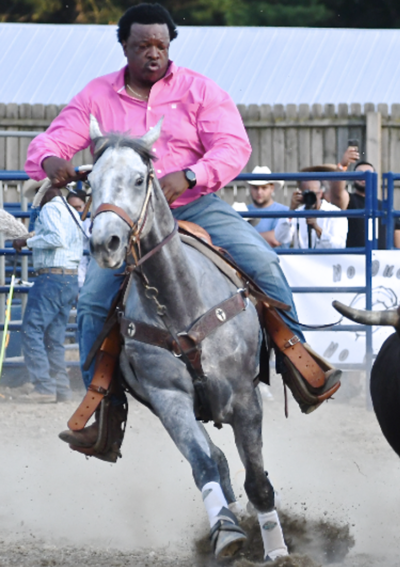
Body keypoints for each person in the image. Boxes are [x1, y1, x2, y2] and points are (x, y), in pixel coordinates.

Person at [26, 3, 340, 447]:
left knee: (263, 262)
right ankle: (102, 411)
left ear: (169, 45)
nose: (153, 53)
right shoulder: (96, 95)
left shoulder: (199, 91)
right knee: (95, 301)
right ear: (125, 47)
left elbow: (232, 146)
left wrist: (192, 175)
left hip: (194, 206)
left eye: (161, 44)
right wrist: (51, 159)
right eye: (142, 45)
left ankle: (299, 362)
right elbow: (53, 139)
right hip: (129, 221)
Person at [12, 180, 85, 403]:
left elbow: (56, 238)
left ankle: (43, 385)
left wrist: (28, 240)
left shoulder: (50, 208)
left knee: (32, 329)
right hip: (69, 278)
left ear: (41, 192)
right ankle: (61, 387)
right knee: (54, 336)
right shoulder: (72, 211)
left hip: (51, 278)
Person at [345, 161, 400, 249]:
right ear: (353, 177)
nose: (365, 176)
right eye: (360, 173)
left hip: (382, 260)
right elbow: (337, 193)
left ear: (375, 178)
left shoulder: (385, 207)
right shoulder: (347, 200)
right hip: (353, 259)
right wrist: (342, 166)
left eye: (369, 173)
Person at [275, 173, 348, 249]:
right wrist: (291, 212)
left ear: (320, 193)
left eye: (313, 194)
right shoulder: (296, 213)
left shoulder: (335, 213)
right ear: (301, 193)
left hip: (325, 260)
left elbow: (339, 246)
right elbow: (281, 238)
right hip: (301, 259)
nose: (310, 197)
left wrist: (317, 229)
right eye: (307, 193)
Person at [245, 165, 287, 248]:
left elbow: (275, 239)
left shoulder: (283, 211)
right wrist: (266, 236)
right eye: (255, 188)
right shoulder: (244, 210)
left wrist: (245, 237)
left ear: (272, 188)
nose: (259, 192)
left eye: (264, 188)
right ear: (250, 188)